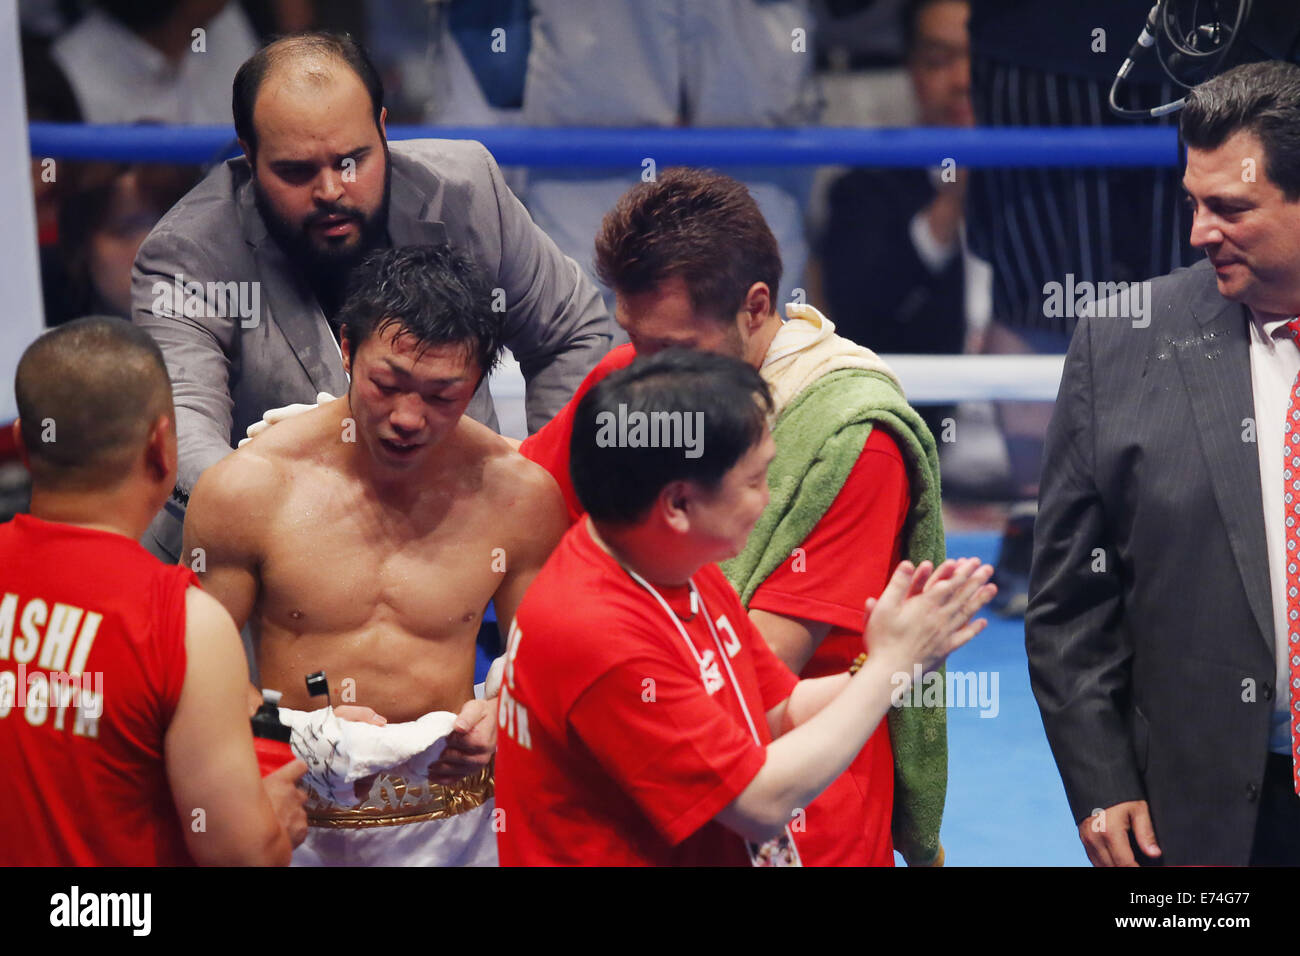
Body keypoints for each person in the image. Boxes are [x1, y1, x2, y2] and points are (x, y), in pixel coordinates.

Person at [519, 167, 954, 866]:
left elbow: (764, 692)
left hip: (809, 816)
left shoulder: (851, 440)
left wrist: (897, 661)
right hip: (689, 803)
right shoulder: (640, 387)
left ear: (755, 307)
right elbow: (518, 496)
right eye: (636, 339)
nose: (643, 370)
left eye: (674, 348)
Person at [495, 349, 995, 865]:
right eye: (755, 481)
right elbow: (759, 802)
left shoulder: (672, 564)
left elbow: (777, 709)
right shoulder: (596, 631)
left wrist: (900, 659)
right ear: (679, 505)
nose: (768, 498)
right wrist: (888, 668)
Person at [132, 31, 611, 561]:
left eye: (351, 160)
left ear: (383, 130)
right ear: (249, 155)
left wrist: (535, 498)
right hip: (256, 576)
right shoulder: (185, 255)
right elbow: (182, 445)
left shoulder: (468, 191)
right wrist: (309, 518)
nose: (331, 191)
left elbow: (574, 334)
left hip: (464, 555)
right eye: (296, 171)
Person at [182, 244, 569, 866]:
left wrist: (505, 716)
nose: (407, 418)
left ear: (479, 384)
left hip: (460, 824)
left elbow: (550, 668)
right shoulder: (248, 488)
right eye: (386, 385)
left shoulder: (518, 496)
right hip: (295, 817)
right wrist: (297, 734)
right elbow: (185, 675)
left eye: (444, 396)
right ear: (345, 348)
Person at [1027, 60, 1300, 867]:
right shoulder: (1122, 344)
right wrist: (1103, 782)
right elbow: (1069, 606)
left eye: (1230, 207)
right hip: (1196, 825)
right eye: (1193, 202)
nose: (1197, 232)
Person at [0, 316, 307, 866]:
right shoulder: (184, 621)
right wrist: (275, 822)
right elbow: (240, 857)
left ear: (23, 444)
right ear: (162, 446)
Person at [820, 0, 989, 440]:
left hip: (1044, 440)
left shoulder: (1053, 189)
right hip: (911, 452)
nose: (962, 80)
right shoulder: (863, 192)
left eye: (979, 57)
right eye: (938, 60)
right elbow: (861, 325)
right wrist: (950, 204)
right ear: (912, 70)